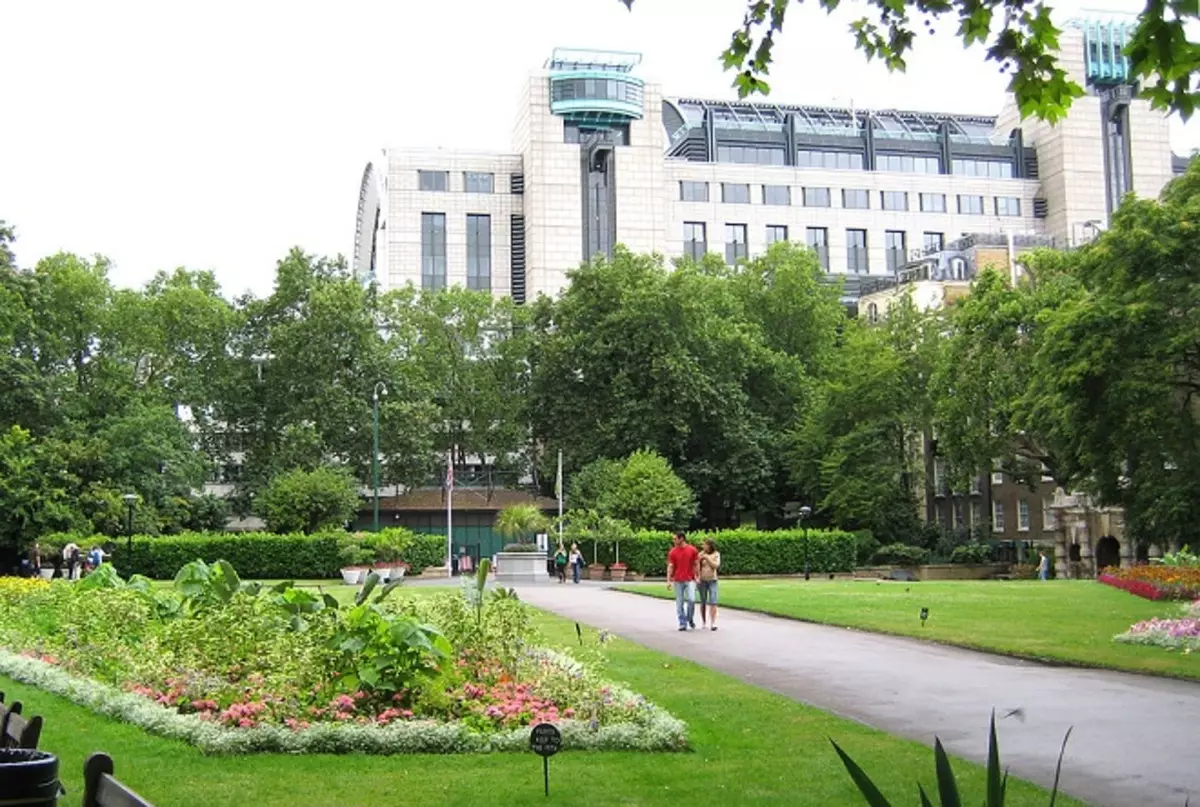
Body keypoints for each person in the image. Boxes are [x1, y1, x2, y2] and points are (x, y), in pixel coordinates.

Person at [666, 532, 699, 631]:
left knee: (692, 600)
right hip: (678, 580)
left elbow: (696, 563)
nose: (674, 541)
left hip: (690, 579)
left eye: (675, 539)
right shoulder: (673, 552)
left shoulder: (692, 550)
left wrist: (697, 576)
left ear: (681, 539)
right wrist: (668, 580)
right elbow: (670, 566)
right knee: (679, 603)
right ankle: (682, 623)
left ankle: (689, 618)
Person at [697, 538, 721, 631]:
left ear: (710, 545)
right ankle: (703, 621)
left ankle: (713, 623)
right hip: (702, 580)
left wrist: (707, 558)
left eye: (705, 545)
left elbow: (716, 565)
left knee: (713, 601)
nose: (703, 546)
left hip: (712, 580)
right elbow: (697, 567)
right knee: (703, 601)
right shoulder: (700, 554)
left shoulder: (716, 554)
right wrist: (697, 577)